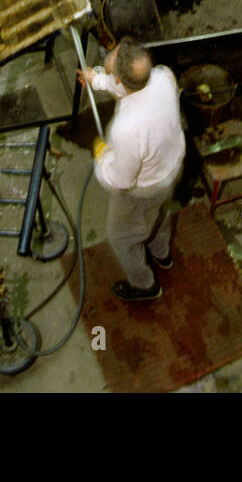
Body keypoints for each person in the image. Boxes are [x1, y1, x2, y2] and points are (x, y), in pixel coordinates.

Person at [77, 39, 185, 302]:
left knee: (122, 238)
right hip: (172, 168)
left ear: (121, 82)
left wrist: (103, 159)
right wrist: (97, 79)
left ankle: (145, 286)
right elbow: (127, 87)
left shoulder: (127, 129)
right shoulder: (162, 76)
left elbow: (121, 180)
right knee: (160, 215)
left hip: (145, 189)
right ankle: (162, 255)